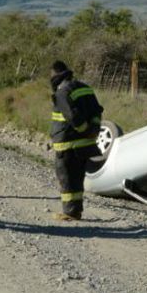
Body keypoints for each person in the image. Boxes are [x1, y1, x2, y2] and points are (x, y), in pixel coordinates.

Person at [49, 60, 103, 220]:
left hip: (68, 144)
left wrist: (84, 129)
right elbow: (97, 111)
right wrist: (93, 129)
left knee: (67, 179)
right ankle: (76, 211)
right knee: (77, 179)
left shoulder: (62, 92)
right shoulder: (85, 88)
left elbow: (72, 116)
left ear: (55, 74)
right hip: (85, 144)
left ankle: (70, 212)